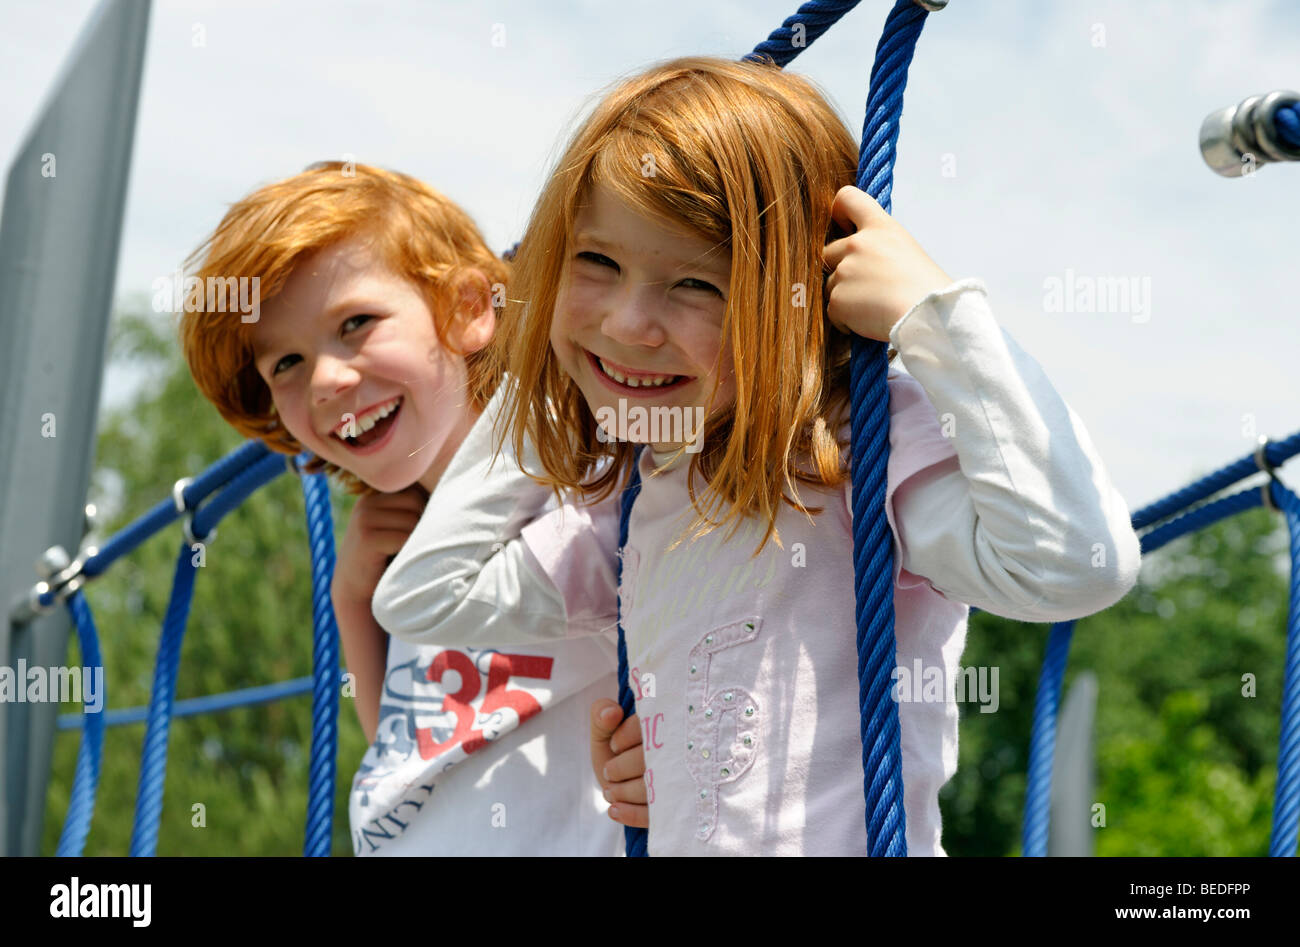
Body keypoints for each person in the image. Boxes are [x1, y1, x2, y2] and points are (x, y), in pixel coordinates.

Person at [377, 56, 1143, 855]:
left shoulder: (857, 450)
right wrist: (548, 367)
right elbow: (427, 596)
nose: (630, 322)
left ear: (803, 300)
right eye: (596, 263)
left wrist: (933, 314)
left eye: (698, 286)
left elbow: (1078, 564)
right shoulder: (633, 503)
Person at [177, 161, 625, 855]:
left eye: (355, 322)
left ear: (470, 309)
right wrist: (354, 600)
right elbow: (410, 752)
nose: (325, 378)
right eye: (285, 364)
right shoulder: (419, 539)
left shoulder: (575, 479)